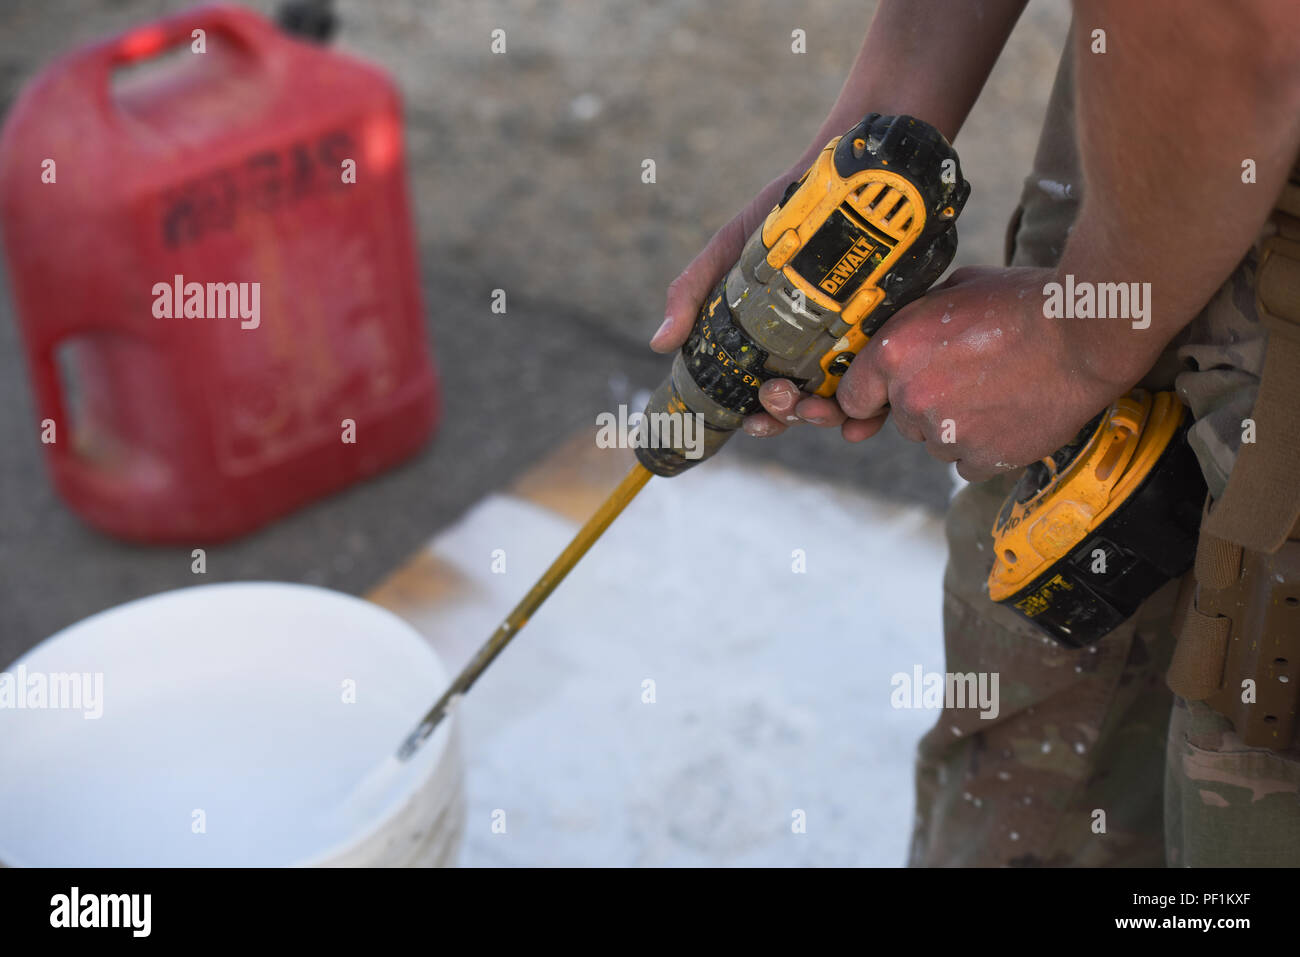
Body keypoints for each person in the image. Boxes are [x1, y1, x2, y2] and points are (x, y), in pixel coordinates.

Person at [650, 0, 1300, 866]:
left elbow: (1238, 24)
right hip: (1151, 107)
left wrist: (1076, 344)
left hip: (1217, 101)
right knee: (1045, 747)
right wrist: (876, 127)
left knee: (1247, 765)